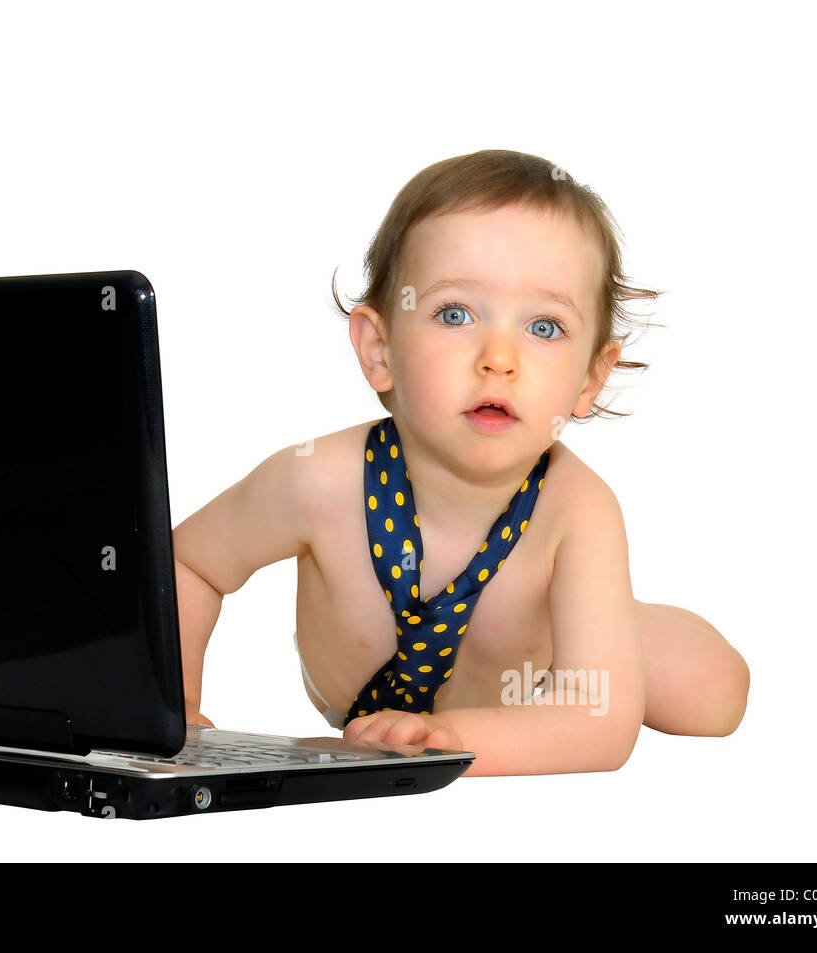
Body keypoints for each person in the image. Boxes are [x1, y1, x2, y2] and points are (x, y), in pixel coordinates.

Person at [171, 149, 749, 776]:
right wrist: (175, 704)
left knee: (710, 698)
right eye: (455, 314)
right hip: (354, 697)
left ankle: (608, 626)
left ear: (590, 378)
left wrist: (449, 736)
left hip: (534, 680)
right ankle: (596, 625)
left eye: (545, 327)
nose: (499, 357)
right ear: (379, 349)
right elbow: (189, 562)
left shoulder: (576, 509)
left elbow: (597, 725)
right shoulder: (316, 478)